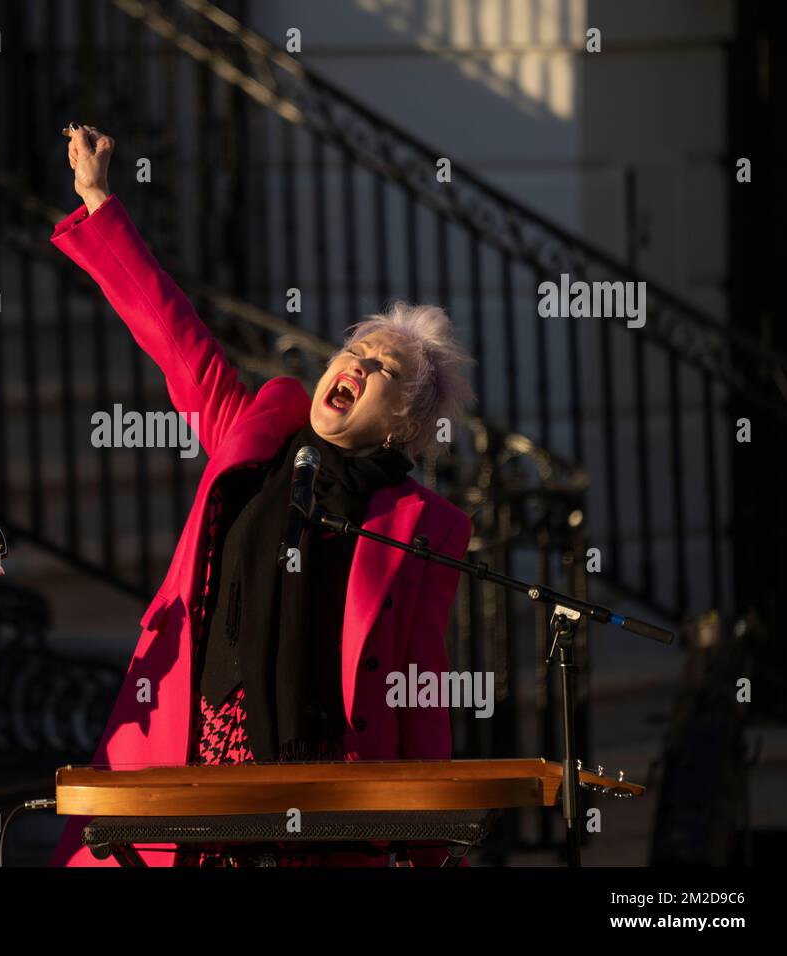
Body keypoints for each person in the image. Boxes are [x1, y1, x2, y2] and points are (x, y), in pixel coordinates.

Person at [51, 125, 475, 867]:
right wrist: (99, 200)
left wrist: (427, 841)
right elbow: (173, 337)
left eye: (382, 368)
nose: (355, 365)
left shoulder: (420, 526)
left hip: (332, 793)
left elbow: (419, 683)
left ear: (403, 423)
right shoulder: (253, 441)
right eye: (353, 351)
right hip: (202, 765)